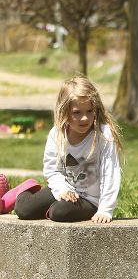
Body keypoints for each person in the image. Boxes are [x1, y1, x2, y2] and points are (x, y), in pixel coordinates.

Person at [13, 75, 123, 223]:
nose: (85, 118)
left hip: (90, 200)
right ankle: (26, 189)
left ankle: (54, 207)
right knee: (23, 210)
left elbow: (110, 174)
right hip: (66, 190)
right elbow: (52, 169)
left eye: (89, 111)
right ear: (64, 111)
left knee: (59, 212)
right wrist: (63, 190)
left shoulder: (104, 135)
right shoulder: (57, 134)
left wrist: (105, 209)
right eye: (77, 112)